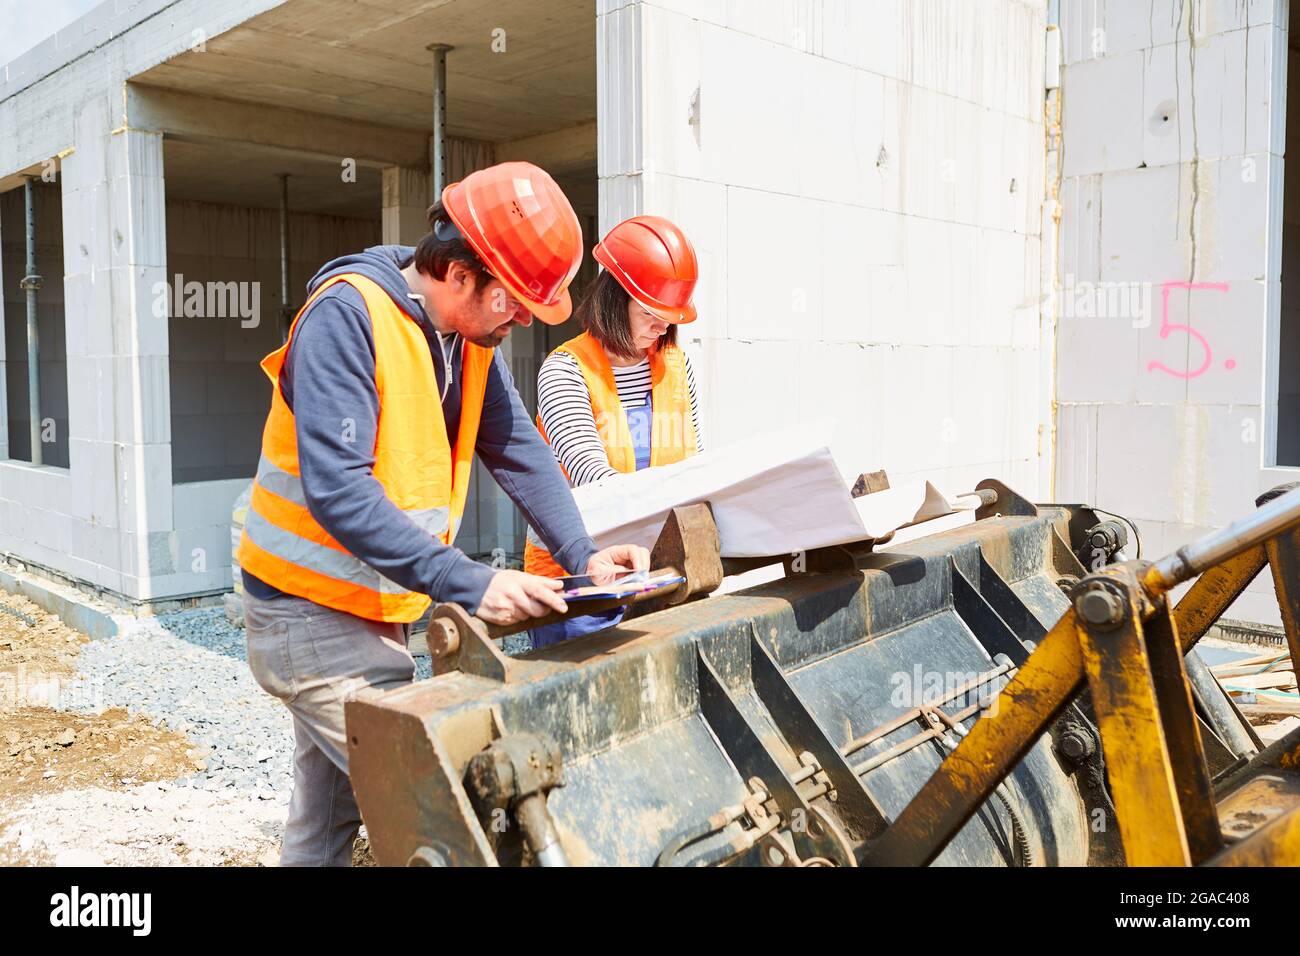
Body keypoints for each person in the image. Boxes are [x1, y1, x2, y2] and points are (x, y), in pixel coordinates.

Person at [237, 161, 648, 866]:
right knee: (454, 809)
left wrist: (582, 554)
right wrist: (471, 581)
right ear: (458, 274)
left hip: (368, 612)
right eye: (511, 301)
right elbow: (339, 490)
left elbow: (517, 446)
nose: (521, 318)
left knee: (326, 815)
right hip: (307, 618)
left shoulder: (466, 338)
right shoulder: (348, 316)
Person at [524, 215, 703, 647]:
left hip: (657, 573)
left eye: (671, 317)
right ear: (615, 298)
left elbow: (695, 471)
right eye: (651, 313)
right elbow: (592, 477)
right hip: (578, 583)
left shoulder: (676, 365)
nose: (662, 327)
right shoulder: (566, 371)